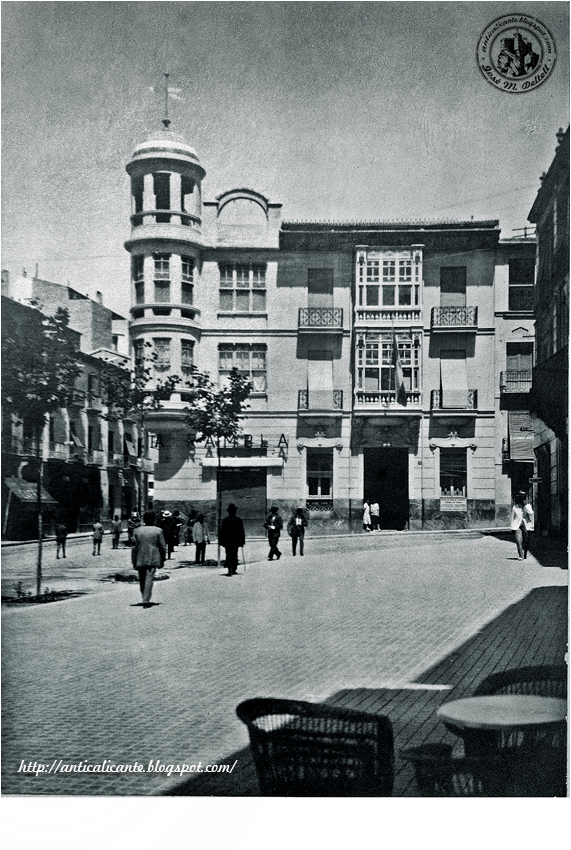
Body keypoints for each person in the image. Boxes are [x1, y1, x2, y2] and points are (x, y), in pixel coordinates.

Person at [131, 510, 166, 607]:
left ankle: (144, 597)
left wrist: (133, 560)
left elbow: (134, 548)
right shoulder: (158, 531)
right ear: (153, 519)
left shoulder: (137, 531)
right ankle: (146, 599)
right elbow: (162, 547)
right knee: (149, 578)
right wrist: (163, 559)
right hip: (153, 558)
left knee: (142, 579)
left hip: (140, 558)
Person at [218, 503, 245, 576]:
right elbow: (241, 532)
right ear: (235, 511)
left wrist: (221, 541)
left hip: (228, 541)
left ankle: (230, 569)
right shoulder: (238, 520)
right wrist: (242, 541)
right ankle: (233, 569)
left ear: (229, 512)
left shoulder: (225, 520)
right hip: (235, 541)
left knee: (229, 555)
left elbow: (222, 532)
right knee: (234, 554)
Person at [510, 491, 534, 560]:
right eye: (520, 498)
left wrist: (526, 506)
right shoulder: (515, 507)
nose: (522, 499)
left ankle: (525, 553)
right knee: (518, 541)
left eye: (523, 498)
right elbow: (513, 517)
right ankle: (521, 555)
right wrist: (512, 527)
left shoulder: (528, 506)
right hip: (517, 526)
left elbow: (531, 513)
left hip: (526, 525)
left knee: (526, 541)